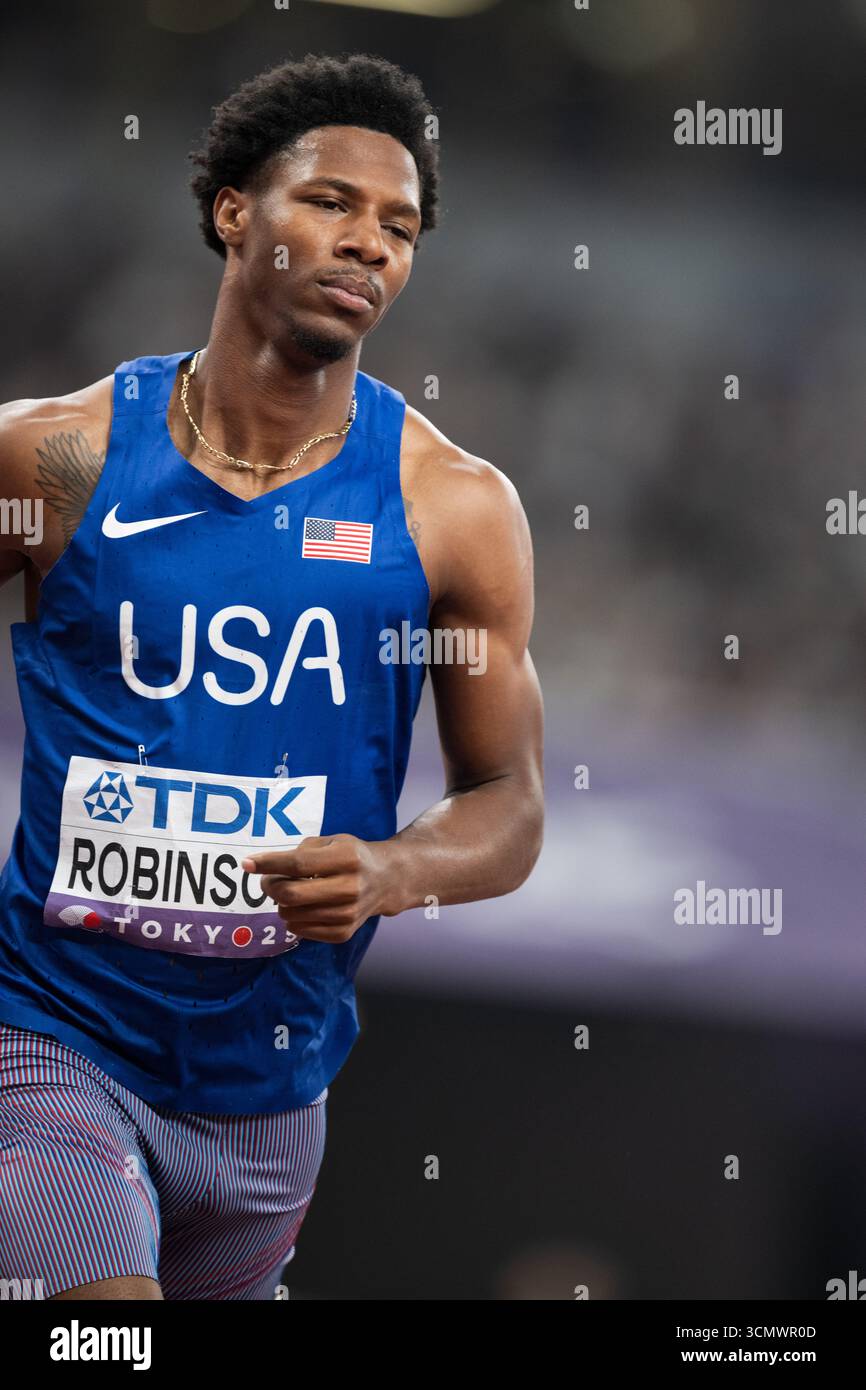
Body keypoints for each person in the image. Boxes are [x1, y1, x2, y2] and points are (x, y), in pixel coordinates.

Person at [0, 52, 544, 1300]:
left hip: (271, 1094)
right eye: (331, 203)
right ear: (234, 210)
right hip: (51, 1033)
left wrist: (391, 870)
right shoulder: (59, 458)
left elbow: (509, 801)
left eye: (398, 227)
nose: (368, 244)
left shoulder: (452, 508)